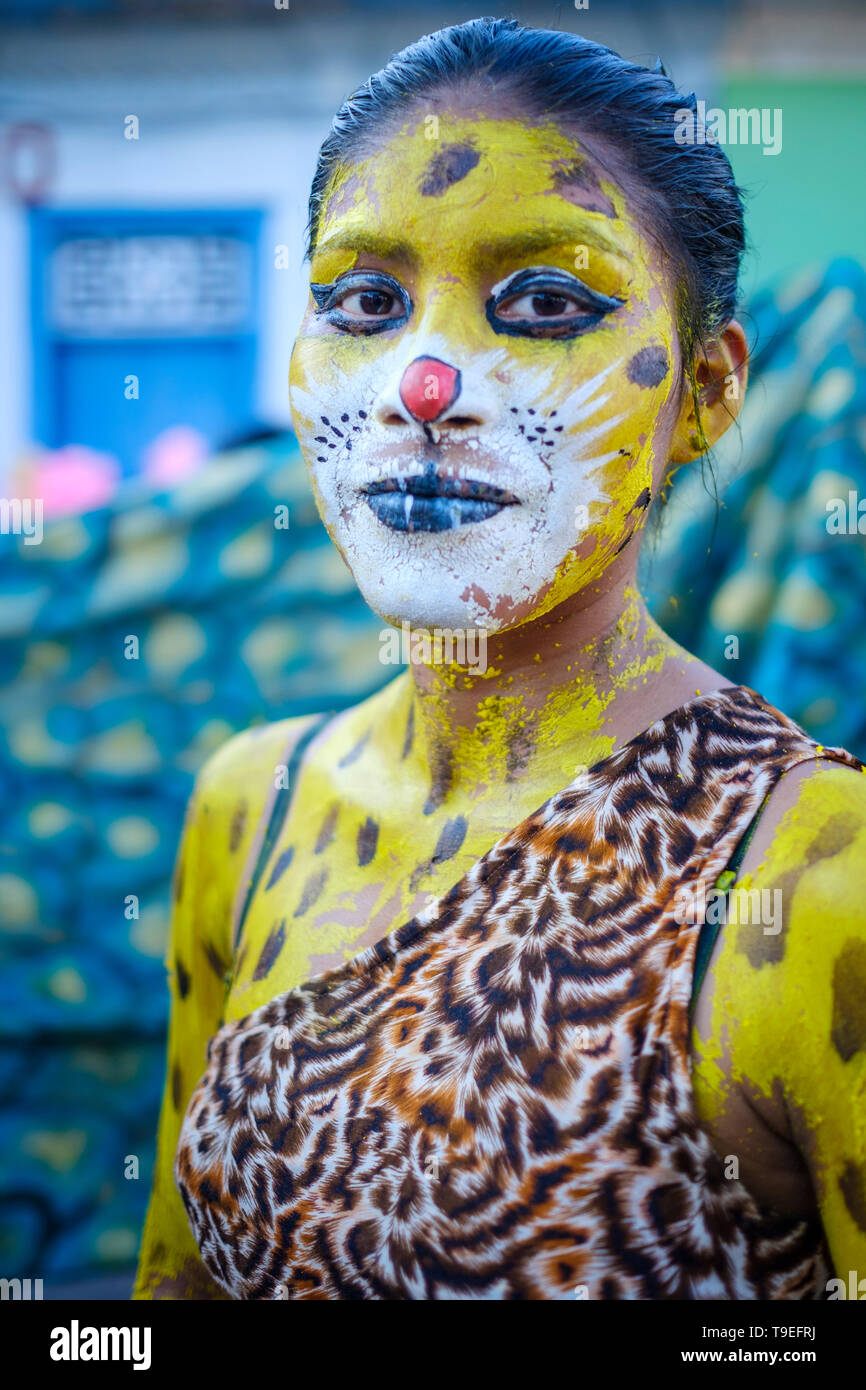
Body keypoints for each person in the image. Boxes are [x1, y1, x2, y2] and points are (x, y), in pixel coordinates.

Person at [133, 17, 866, 1301]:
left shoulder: (819, 878)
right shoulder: (248, 810)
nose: (423, 383)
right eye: (364, 302)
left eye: (542, 303)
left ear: (702, 390)